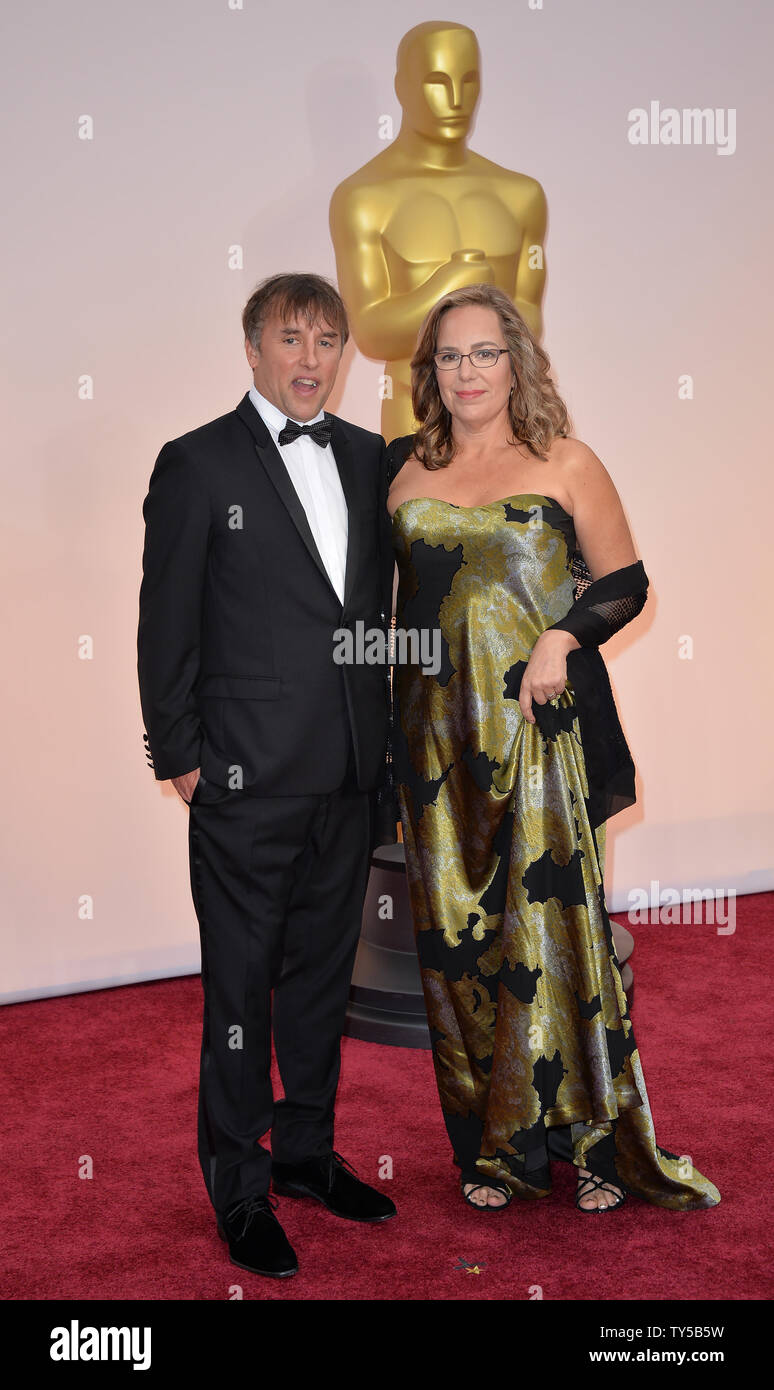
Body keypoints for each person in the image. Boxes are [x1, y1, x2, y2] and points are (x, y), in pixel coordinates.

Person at [385, 283, 720, 1214]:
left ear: (517, 361)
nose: (467, 372)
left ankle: (591, 1142)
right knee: (458, 947)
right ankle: (498, 1152)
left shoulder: (565, 461)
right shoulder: (401, 471)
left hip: (541, 739)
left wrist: (564, 637)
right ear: (430, 372)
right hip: (434, 743)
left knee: (556, 938)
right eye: (449, 357)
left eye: (484, 353)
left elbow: (627, 579)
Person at [137, 272, 397, 1279]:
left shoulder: (372, 461)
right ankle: (239, 1188)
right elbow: (166, 628)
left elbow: (368, 619)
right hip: (242, 782)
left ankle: (304, 1155)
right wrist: (185, 760)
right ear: (252, 350)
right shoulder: (197, 464)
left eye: (328, 340)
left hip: (345, 774)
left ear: (345, 354)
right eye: (290, 338)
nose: (309, 358)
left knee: (321, 983)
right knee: (241, 988)